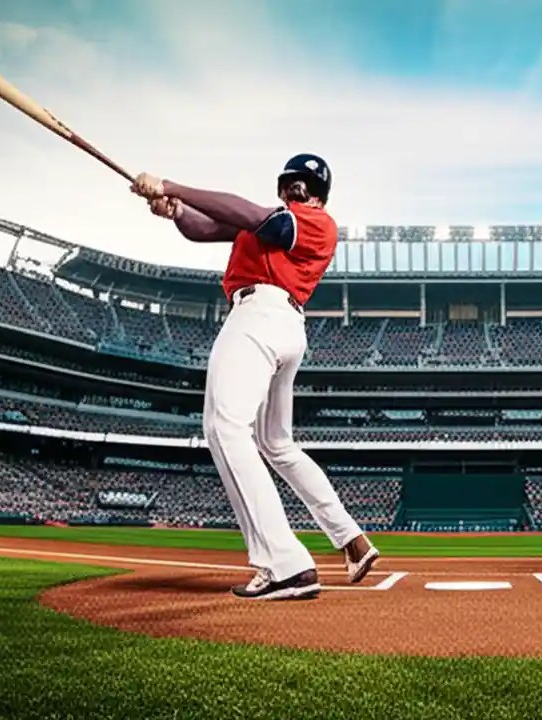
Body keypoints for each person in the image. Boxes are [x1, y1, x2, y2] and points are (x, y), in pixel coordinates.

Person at [131, 154, 379, 601]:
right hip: (280, 326)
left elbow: (251, 216)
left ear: (319, 196)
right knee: (277, 444)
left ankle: (285, 564)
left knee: (225, 427)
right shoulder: (266, 225)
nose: (296, 189)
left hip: (260, 317)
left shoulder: (314, 223)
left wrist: (172, 183)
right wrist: (176, 211)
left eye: (306, 184)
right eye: (291, 182)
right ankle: (351, 539)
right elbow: (208, 228)